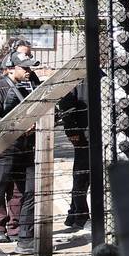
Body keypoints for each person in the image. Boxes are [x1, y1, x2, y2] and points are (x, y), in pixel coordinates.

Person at [0, 55, 39, 256]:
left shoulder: (29, 85)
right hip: (4, 149)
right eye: (25, 68)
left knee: (29, 191)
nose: (29, 71)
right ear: (12, 68)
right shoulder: (0, 87)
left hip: (25, 146)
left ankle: (25, 238)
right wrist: (17, 125)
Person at [56, 82, 91, 232]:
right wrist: (72, 132)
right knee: (82, 176)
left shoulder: (102, 73)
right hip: (84, 135)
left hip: (97, 133)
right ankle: (81, 217)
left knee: (85, 175)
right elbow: (66, 106)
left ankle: (73, 213)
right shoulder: (78, 79)